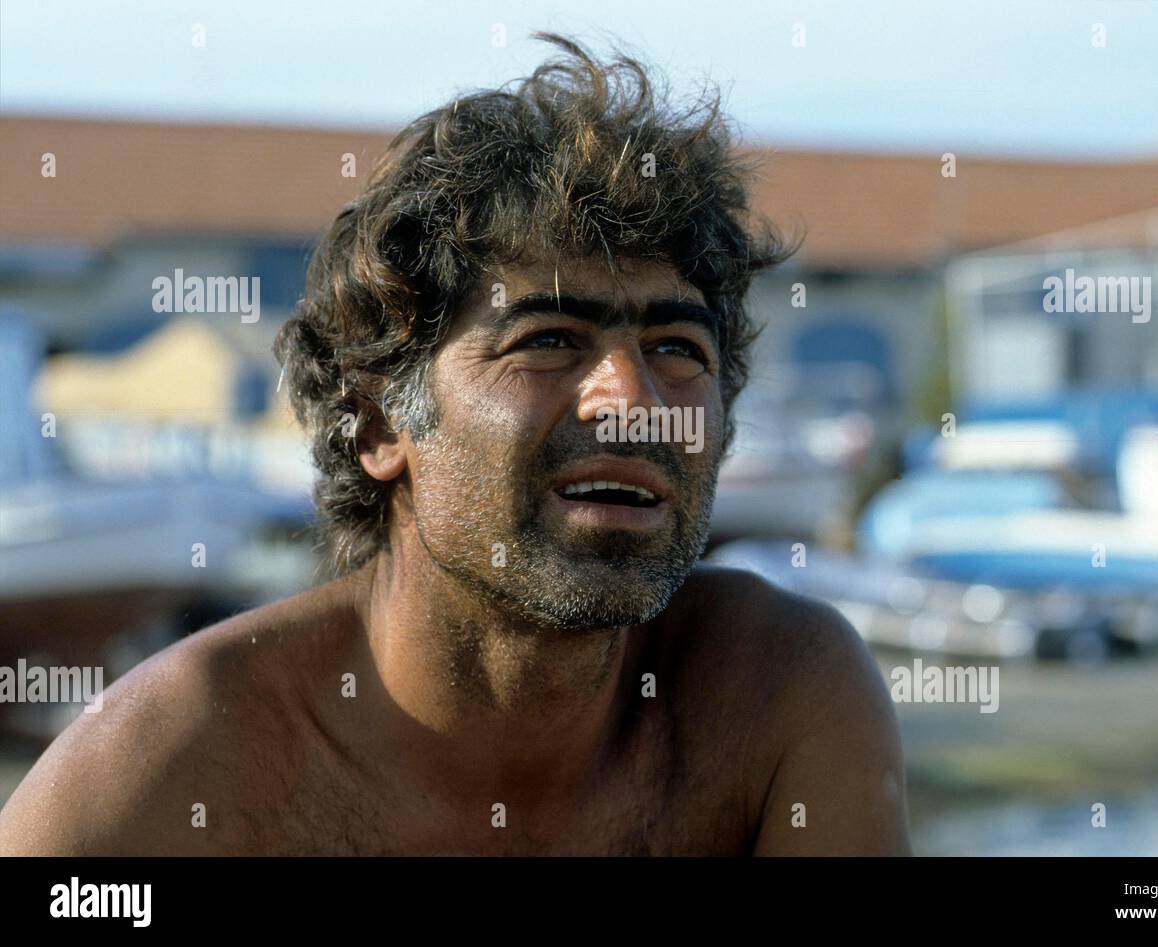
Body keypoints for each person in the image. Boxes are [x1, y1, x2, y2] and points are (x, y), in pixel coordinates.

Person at [0, 32, 910, 856]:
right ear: (380, 424)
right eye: (548, 339)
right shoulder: (169, 771)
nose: (632, 400)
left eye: (679, 349)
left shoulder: (779, 697)